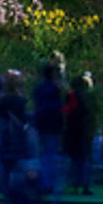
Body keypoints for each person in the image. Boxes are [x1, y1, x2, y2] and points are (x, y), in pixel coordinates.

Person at [61, 72, 97, 195]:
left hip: (73, 131)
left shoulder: (71, 97)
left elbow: (66, 112)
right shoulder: (87, 98)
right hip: (83, 131)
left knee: (75, 160)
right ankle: (84, 185)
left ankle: (75, 184)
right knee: (84, 159)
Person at [33, 62, 66, 194]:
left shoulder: (39, 90)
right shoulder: (55, 90)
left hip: (41, 124)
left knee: (42, 154)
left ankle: (42, 182)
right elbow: (58, 108)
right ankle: (48, 183)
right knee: (50, 155)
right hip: (52, 125)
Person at [0, 70, 31, 179]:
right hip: (18, 136)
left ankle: (3, 182)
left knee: (4, 161)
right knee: (19, 161)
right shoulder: (20, 101)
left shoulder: (2, 101)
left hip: (5, 134)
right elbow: (23, 116)